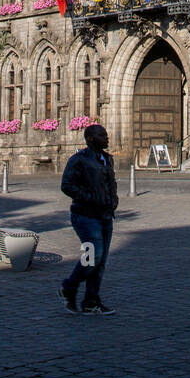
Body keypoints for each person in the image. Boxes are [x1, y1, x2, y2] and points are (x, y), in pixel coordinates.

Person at [58, 123, 118, 315]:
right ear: (90, 138)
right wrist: (89, 198)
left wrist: (113, 201)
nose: (107, 138)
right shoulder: (79, 160)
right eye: (103, 135)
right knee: (93, 256)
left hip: (105, 216)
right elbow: (67, 185)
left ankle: (91, 301)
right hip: (85, 216)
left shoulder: (107, 159)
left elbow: (110, 184)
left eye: (106, 135)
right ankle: (69, 286)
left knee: (100, 262)